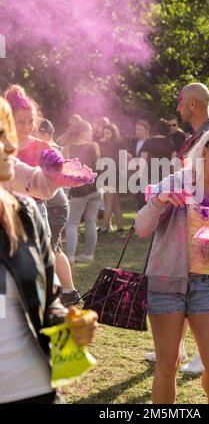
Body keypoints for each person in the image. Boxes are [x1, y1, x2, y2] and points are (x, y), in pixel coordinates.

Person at [135, 127, 209, 404]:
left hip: (207, 286)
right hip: (165, 283)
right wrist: (159, 201)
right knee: (166, 365)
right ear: (205, 152)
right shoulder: (175, 183)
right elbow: (141, 228)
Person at [0, 97, 98, 404]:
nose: (7, 147)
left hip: (37, 388)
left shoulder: (26, 215)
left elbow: (46, 301)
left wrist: (66, 328)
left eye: (6, 136)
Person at [145, 83, 209, 374]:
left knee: (204, 281)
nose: (176, 108)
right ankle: (175, 346)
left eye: (180, 102)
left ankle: (205, 353)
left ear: (193, 105)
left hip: (205, 219)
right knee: (183, 280)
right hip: (184, 219)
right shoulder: (196, 136)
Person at [35, 118, 81, 306]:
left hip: (55, 206)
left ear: (45, 133)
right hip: (54, 205)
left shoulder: (50, 150)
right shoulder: (47, 147)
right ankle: (70, 291)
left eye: (35, 130)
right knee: (55, 248)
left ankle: (53, 294)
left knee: (49, 250)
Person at [4, 85, 51, 231]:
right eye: (21, 122)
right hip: (8, 211)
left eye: (30, 121)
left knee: (40, 253)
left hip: (36, 210)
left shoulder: (42, 146)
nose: (26, 127)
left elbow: (49, 182)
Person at [64, 120, 101, 264]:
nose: (91, 133)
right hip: (94, 188)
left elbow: (65, 168)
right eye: (89, 130)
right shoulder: (95, 146)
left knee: (73, 223)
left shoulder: (68, 148)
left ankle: (71, 257)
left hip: (79, 190)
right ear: (82, 132)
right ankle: (88, 254)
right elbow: (95, 162)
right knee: (90, 221)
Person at [97, 123, 125, 233]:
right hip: (116, 174)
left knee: (108, 201)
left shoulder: (108, 144)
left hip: (110, 174)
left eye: (108, 133)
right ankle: (120, 226)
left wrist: (102, 144)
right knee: (115, 202)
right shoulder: (120, 143)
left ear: (114, 133)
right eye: (104, 133)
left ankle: (104, 227)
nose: (106, 135)